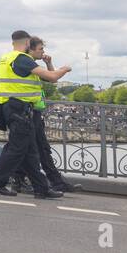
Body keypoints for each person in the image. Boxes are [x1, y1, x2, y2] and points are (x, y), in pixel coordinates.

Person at [0, 30, 71, 198]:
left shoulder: (7, 58)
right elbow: (52, 77)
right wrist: (64, 69)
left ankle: (42, 189)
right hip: (19, 109)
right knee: (15, 149)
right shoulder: (22, 59)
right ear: (27, 43)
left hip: (12, 107)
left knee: (29, 150)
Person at [9, 37, 81, 194]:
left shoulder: (32, 65)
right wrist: (65, 69)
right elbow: (54, 77)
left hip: (33, 111)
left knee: (37, 148)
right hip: (24, 112)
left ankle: (50, 182)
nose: (43, 52)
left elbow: (50, 77)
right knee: (30, 149)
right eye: (41, 49)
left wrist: (49, 63)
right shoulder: (24, 62)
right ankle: (24, 181)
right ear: (31, 49)